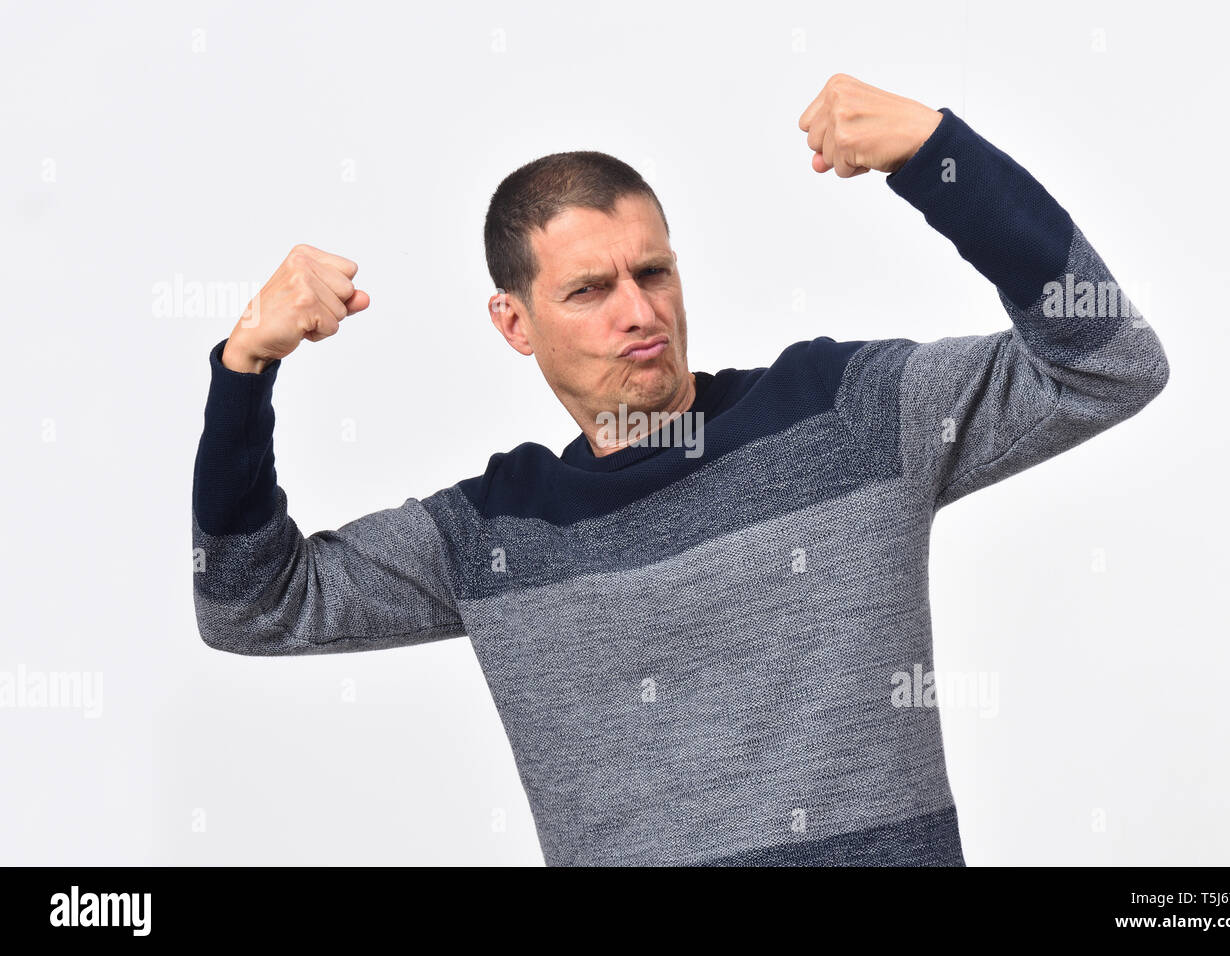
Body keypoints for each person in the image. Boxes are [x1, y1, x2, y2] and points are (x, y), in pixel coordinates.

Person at [191, 74, 1170, 866]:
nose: (638, 310)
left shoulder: (846, 409)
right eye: (589, 289)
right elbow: (248, 604)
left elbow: (1104, 360)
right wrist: (246, 365)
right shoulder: (490, 535)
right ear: (514, 322)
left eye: (651, 272)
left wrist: (940, 158)